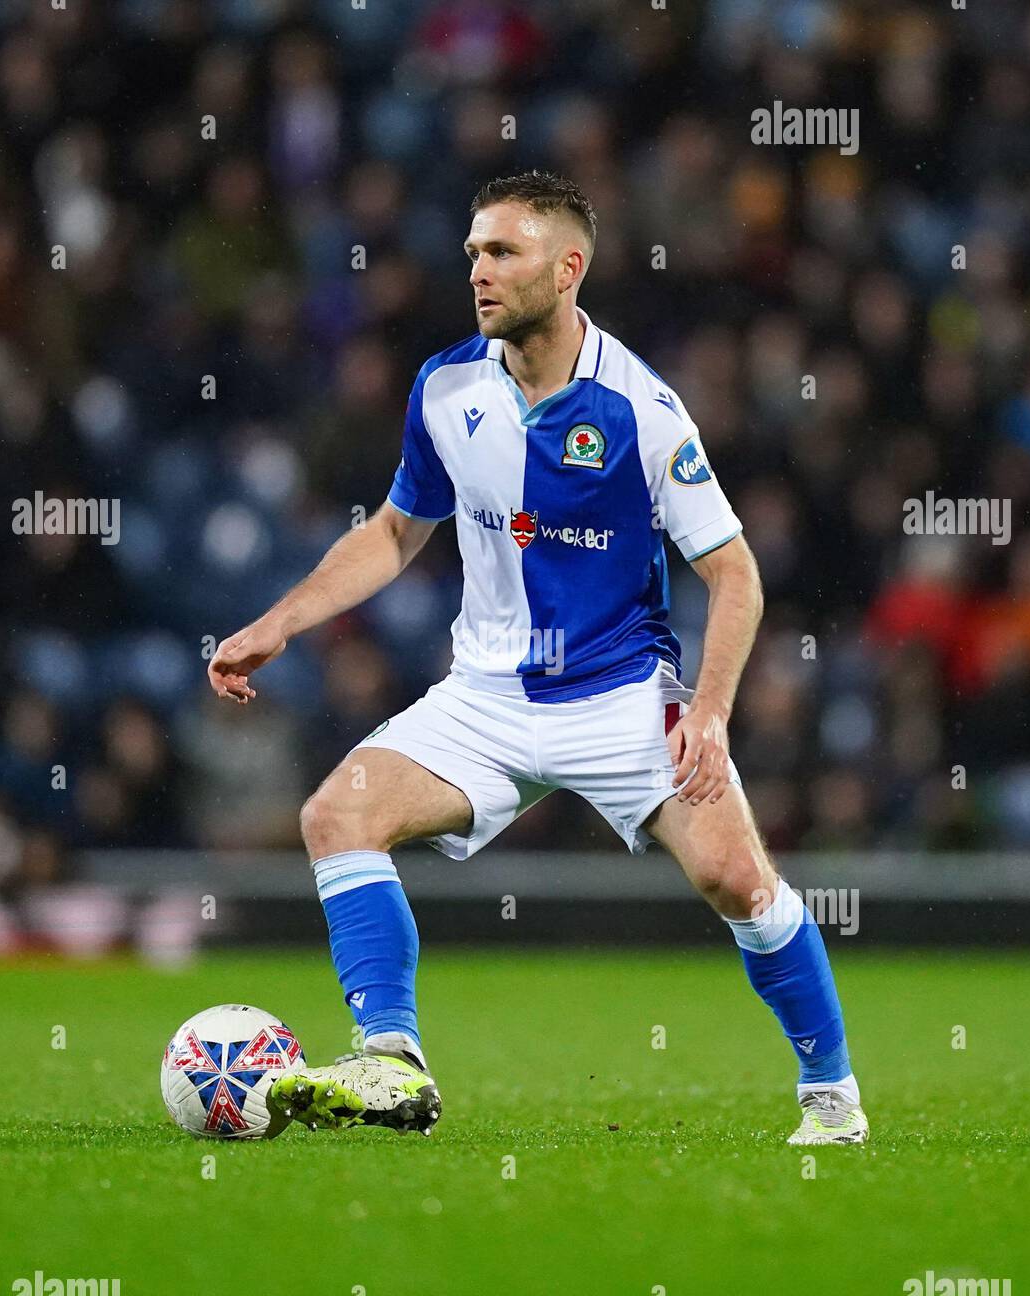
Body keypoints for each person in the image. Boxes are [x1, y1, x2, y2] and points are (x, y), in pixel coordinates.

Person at [208, 170, 868, 1146]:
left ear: (568, 270)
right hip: (484, 694)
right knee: (337, 813)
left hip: (621, 693)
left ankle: (832, 1094)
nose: (477, 268)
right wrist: (283, 618)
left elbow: (735, 574)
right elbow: (396, 531)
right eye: (473, 249)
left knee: (735, 876)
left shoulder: (643, 409)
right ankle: (391, 1059)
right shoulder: (444, 385)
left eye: (502, 251)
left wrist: (715, 712)